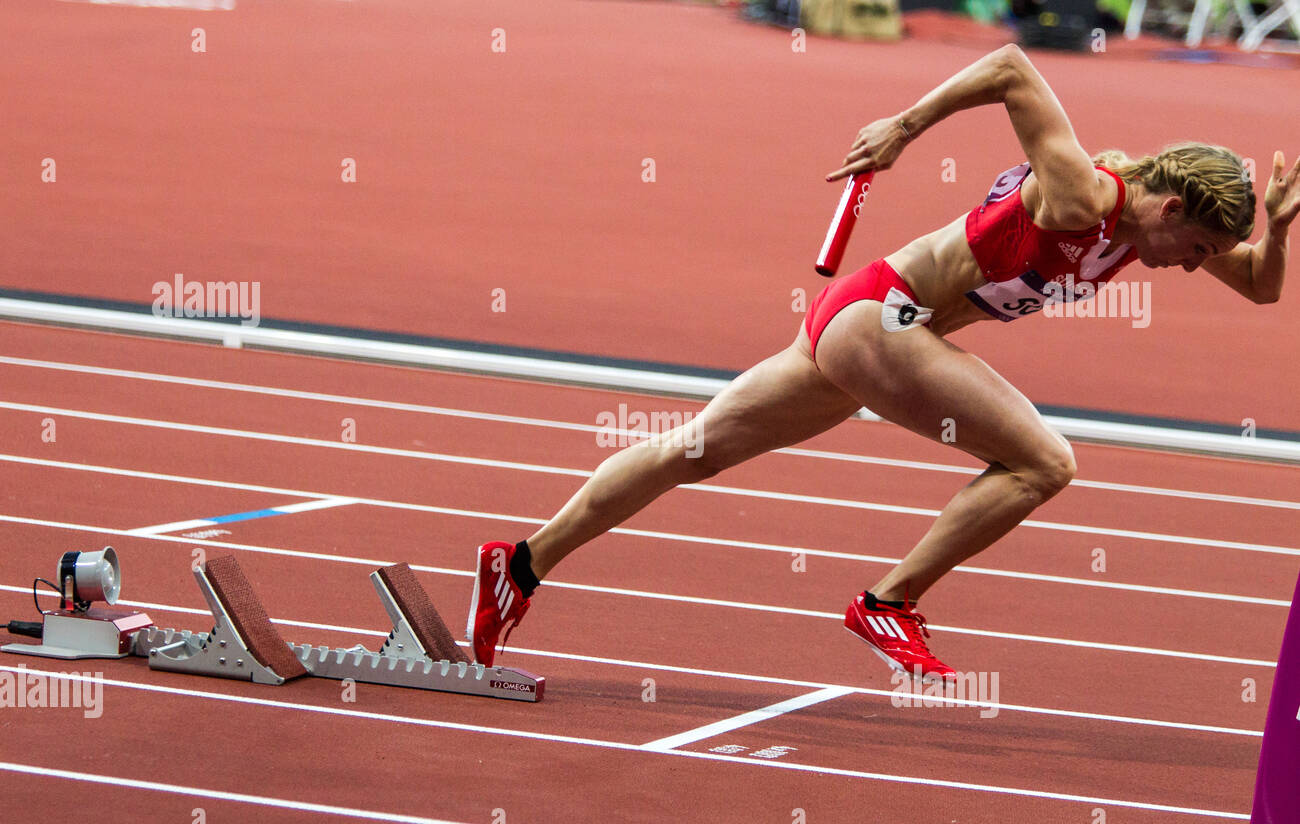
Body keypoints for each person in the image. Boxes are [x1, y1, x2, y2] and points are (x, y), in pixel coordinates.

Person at [466, 43, 1298, 682]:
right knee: (1044, 462)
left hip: (861, 327)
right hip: (879, 320)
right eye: (1193, 249)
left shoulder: (1143, 232)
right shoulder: (1084, 195)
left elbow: (1261, 286)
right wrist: (903, 128)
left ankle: (523, 564)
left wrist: (1281, 234)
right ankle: (887, 602)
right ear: (1173, 206)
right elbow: (1012, 67)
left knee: (690, 451)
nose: (1192, 266)